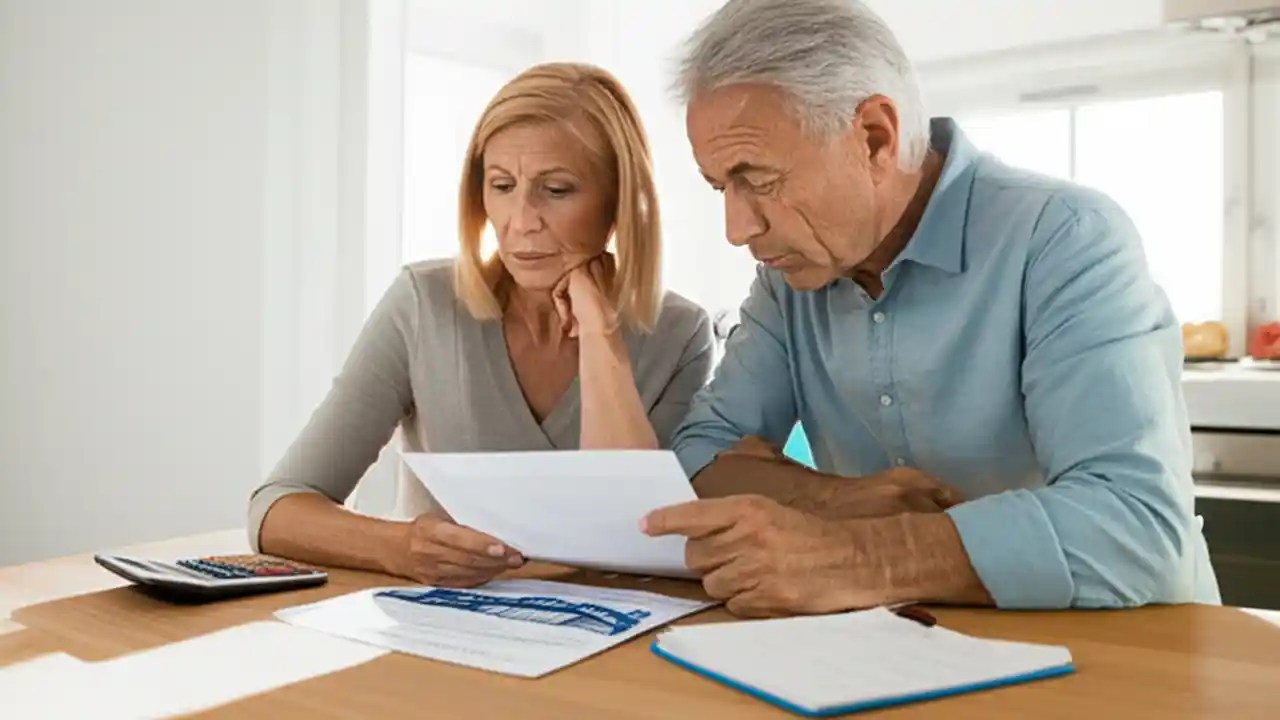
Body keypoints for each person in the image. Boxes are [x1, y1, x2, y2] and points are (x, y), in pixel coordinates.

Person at [641, 0, 1220, 617]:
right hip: (907, 651)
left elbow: (1136, 526)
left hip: (1129, 654)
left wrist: (862, 555)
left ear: (874, 137)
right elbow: (699, 457)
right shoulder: (787, 280)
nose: (737, 227)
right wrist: (839, 501)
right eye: (720, 187)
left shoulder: (1065, 236)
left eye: (758, 178)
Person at [250, 62, 713, 588]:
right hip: (447, 634)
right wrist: (400, 547)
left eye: (556, 190)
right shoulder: (424, 304)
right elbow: (276, 508)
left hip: (602, 640)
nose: (520, 221)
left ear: (619, 201)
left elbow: (636, 538)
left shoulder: (681, 335)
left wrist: (601, 335)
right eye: (502, 185)